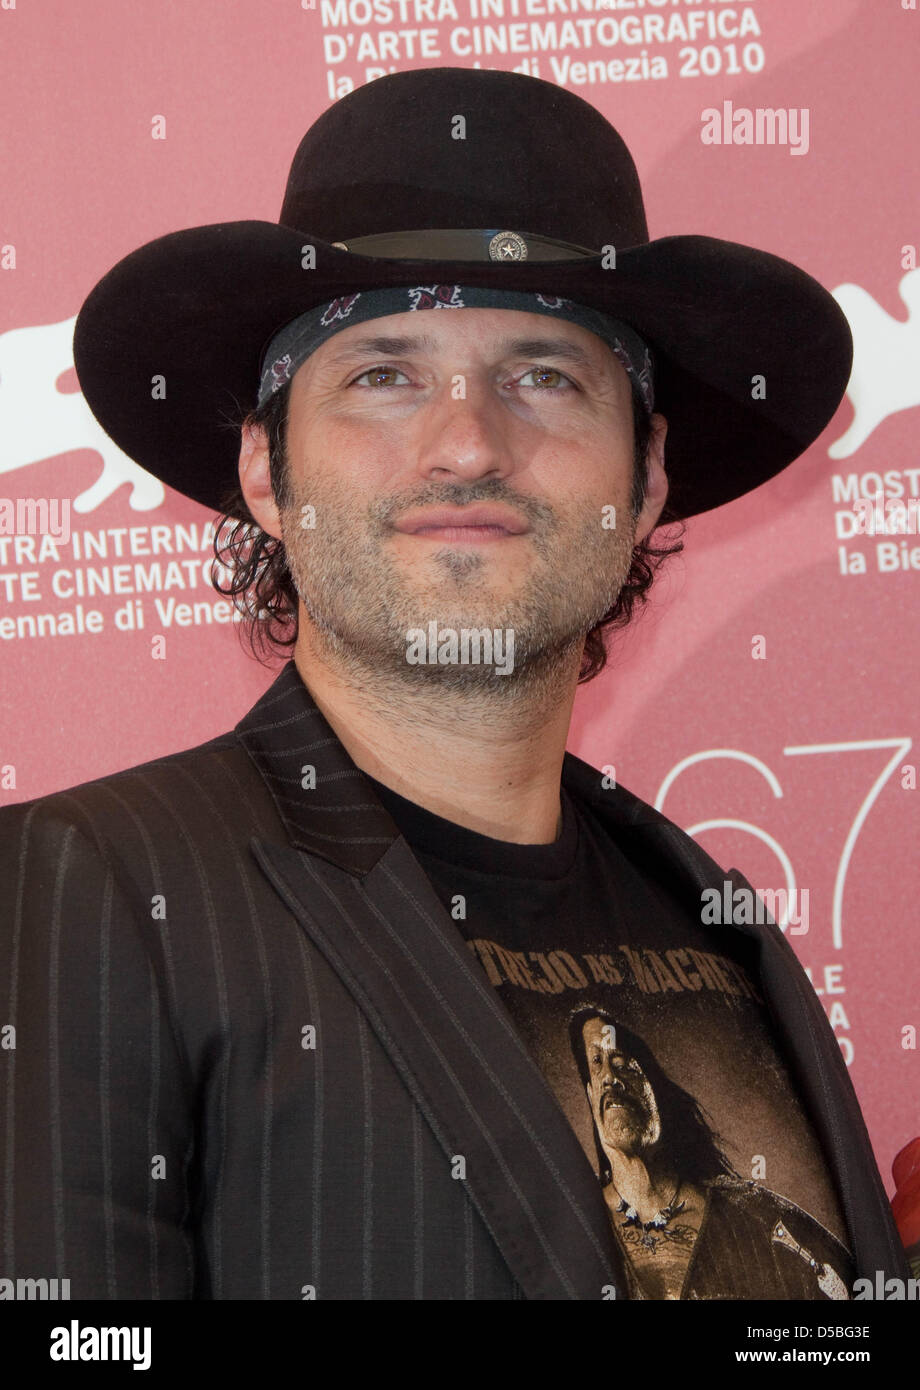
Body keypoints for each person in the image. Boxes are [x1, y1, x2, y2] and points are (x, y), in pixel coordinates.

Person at [0, 66, 908, 1300]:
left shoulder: (710, 920)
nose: (469, 441)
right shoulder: (84, 890)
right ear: (265, 471)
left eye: (544, 373)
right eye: (384, 372)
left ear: (643, 480)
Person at [569, 1008, 853, 1300]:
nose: (610, 1077)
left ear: (657, 1090)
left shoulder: (758, 1217)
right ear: (590, 1095)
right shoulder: (571, 1226)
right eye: (596, 1063)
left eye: (621, 1063)